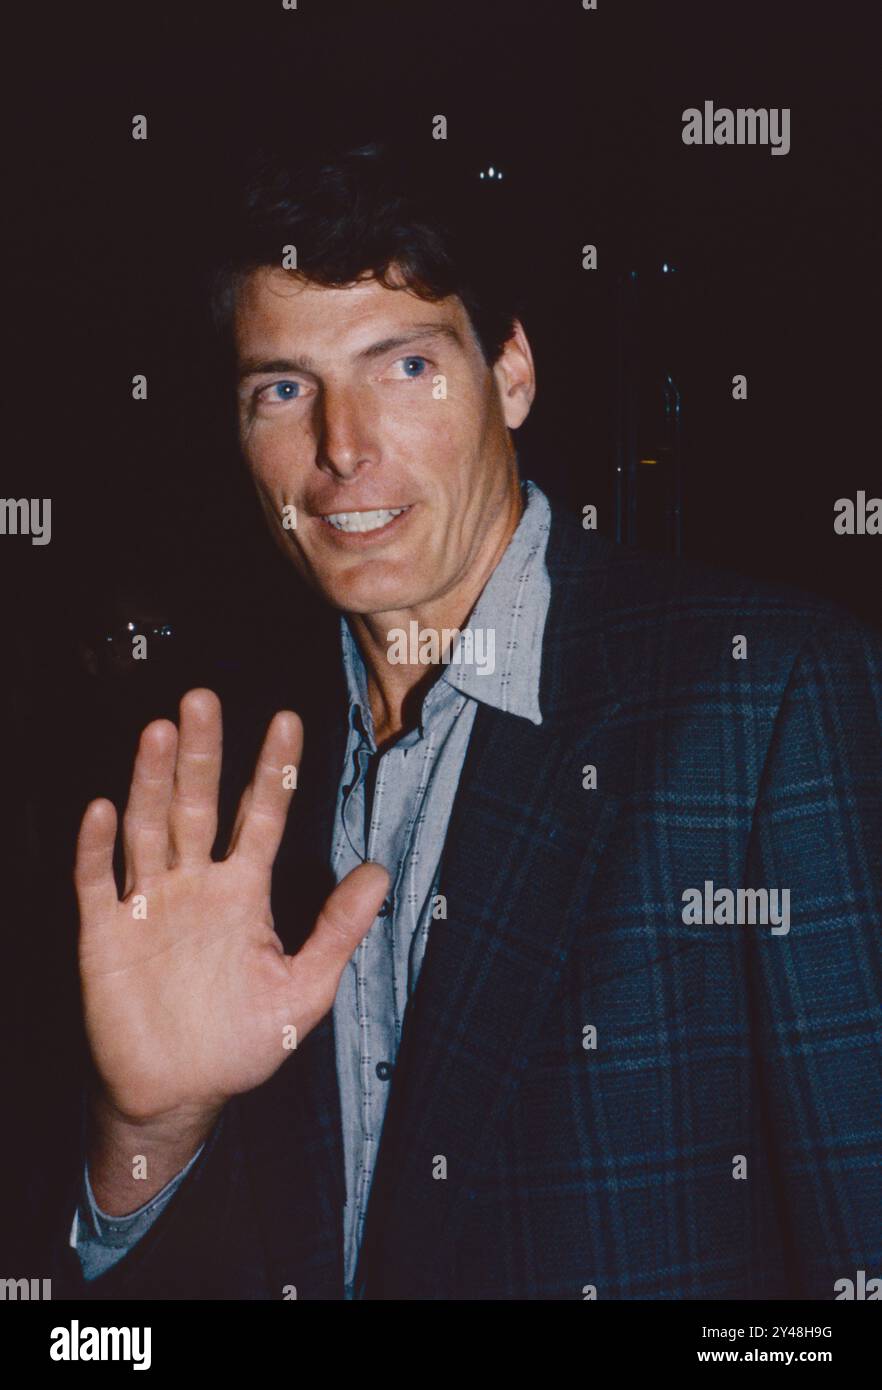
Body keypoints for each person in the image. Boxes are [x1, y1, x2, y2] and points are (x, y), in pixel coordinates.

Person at [46, 142, 881, 1300]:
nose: (342, 448)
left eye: (403, 366)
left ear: (513, 374)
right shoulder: (225, 784)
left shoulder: (759, 697)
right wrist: (149, 1129)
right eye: (282, 388)